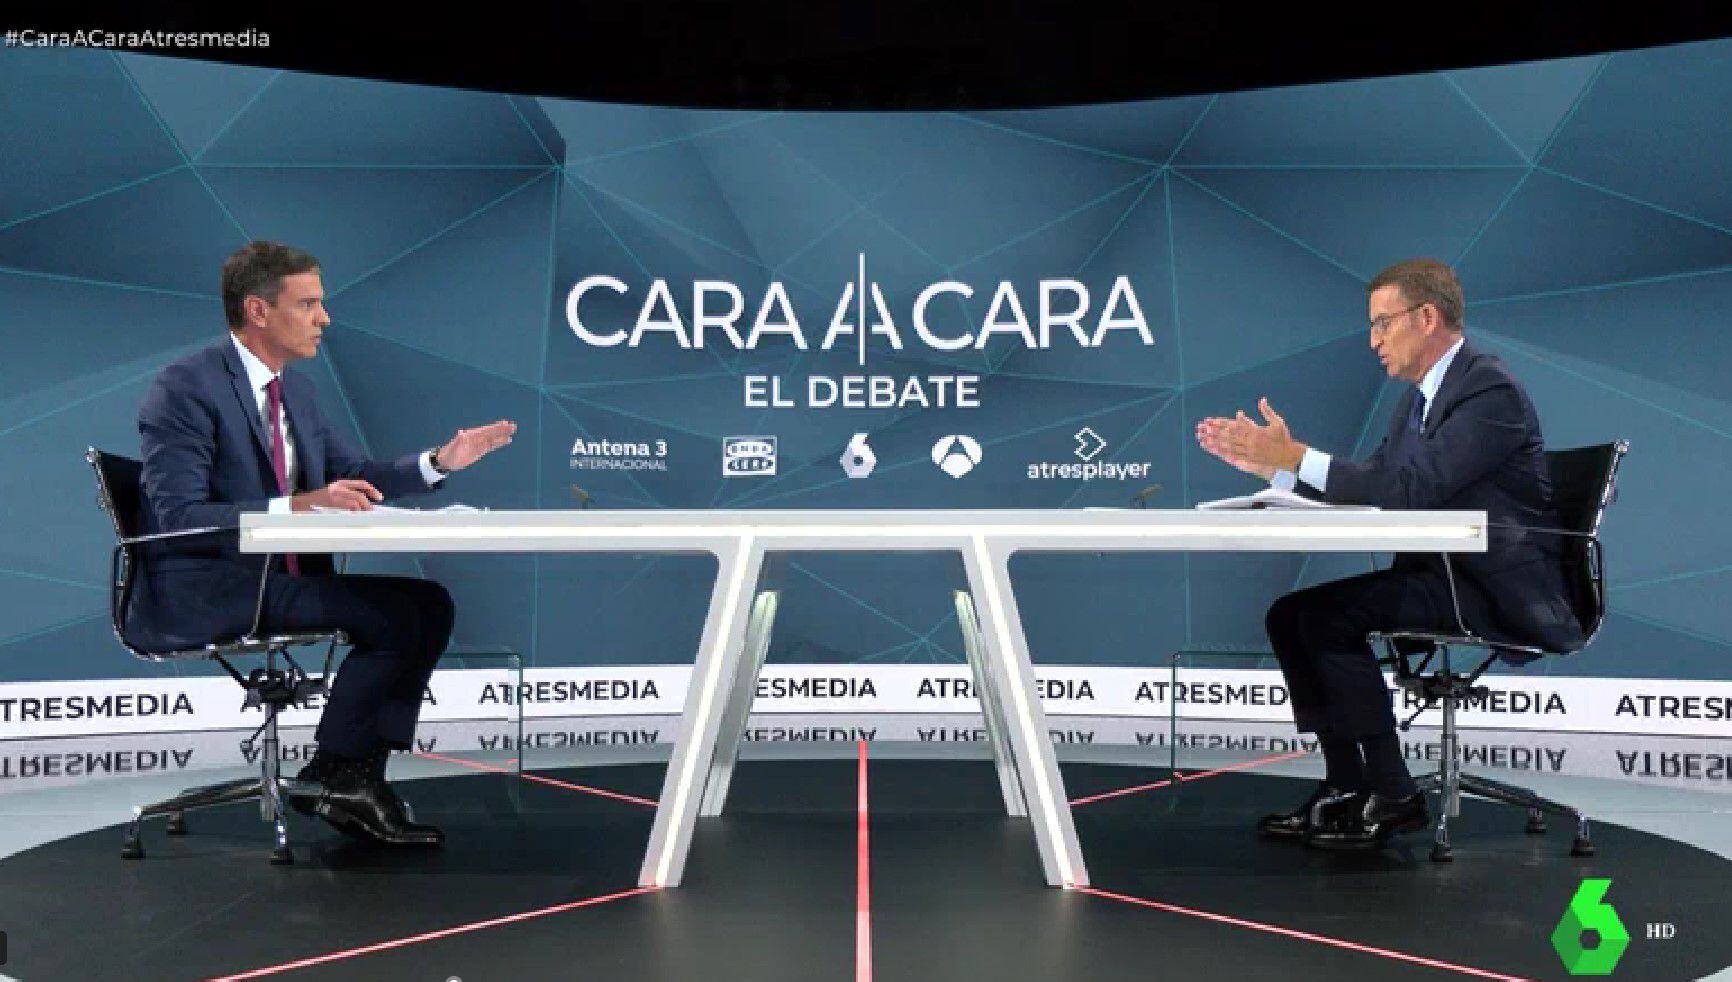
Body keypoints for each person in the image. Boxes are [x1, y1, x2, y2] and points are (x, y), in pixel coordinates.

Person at [133, 241, 517, 847]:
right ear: (258, 311)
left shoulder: (297, 394)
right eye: (308, 304)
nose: (324, 317)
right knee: (392, 616)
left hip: (287, 580)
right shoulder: (185, 387)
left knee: (429, 604)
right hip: (216, 585)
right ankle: (341, 775)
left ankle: (351, 773)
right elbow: (179, 514)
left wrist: (439, 461)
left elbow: (354, 474)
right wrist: (299, 505)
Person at [1194, 258, 1581, 850]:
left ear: (1426, 317)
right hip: (1442, 574)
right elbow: (1376, 480)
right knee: (1290, 616)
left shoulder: (1488, 390)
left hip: (1488, 589)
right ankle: (1346, 785)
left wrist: (1298, 457)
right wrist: (1280, 474)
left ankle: (1394, 792)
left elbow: (1410, 489)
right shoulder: (1418, 402)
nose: (1373, 340)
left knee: (1325, 619)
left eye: (1382, 323)